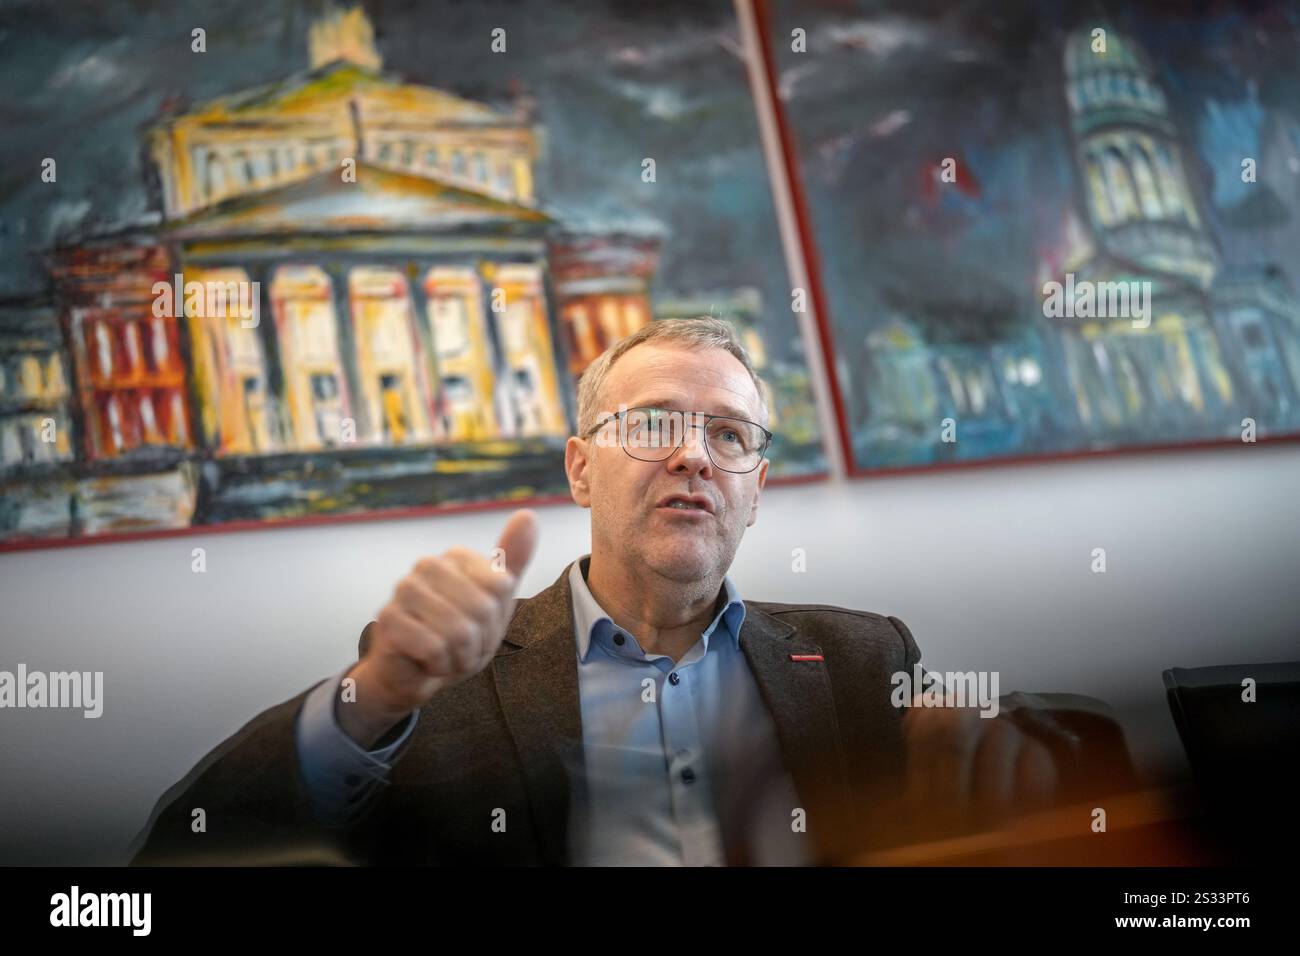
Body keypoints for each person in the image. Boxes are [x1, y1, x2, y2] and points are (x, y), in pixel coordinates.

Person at [131, 317, 1063, 866]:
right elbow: (186, 844)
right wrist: (368, 701)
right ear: (580, 469)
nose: (694, 455)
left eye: (731, 436)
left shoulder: (864, 658)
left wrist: (1006, 742)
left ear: (756, 488)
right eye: (655, 423)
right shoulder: (437, 671)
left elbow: (1056, 745)